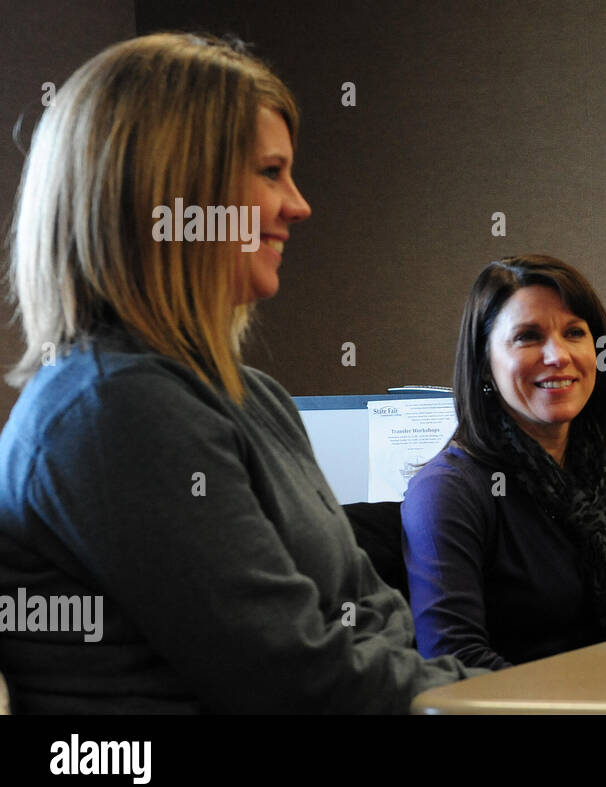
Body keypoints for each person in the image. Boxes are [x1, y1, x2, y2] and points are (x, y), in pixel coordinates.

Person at [0, 33, 475, 713]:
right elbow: (294, 678)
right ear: (174, 193)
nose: (299, 205)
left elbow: (374, 615)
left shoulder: (257, 398)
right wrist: (504, 703)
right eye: (271, 172)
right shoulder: (113, 408)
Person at [402, 255, 606, 669]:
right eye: (528, 336)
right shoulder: (448, 491)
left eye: (574, 333)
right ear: (484, 363)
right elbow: (458, 665)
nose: (558, 356)